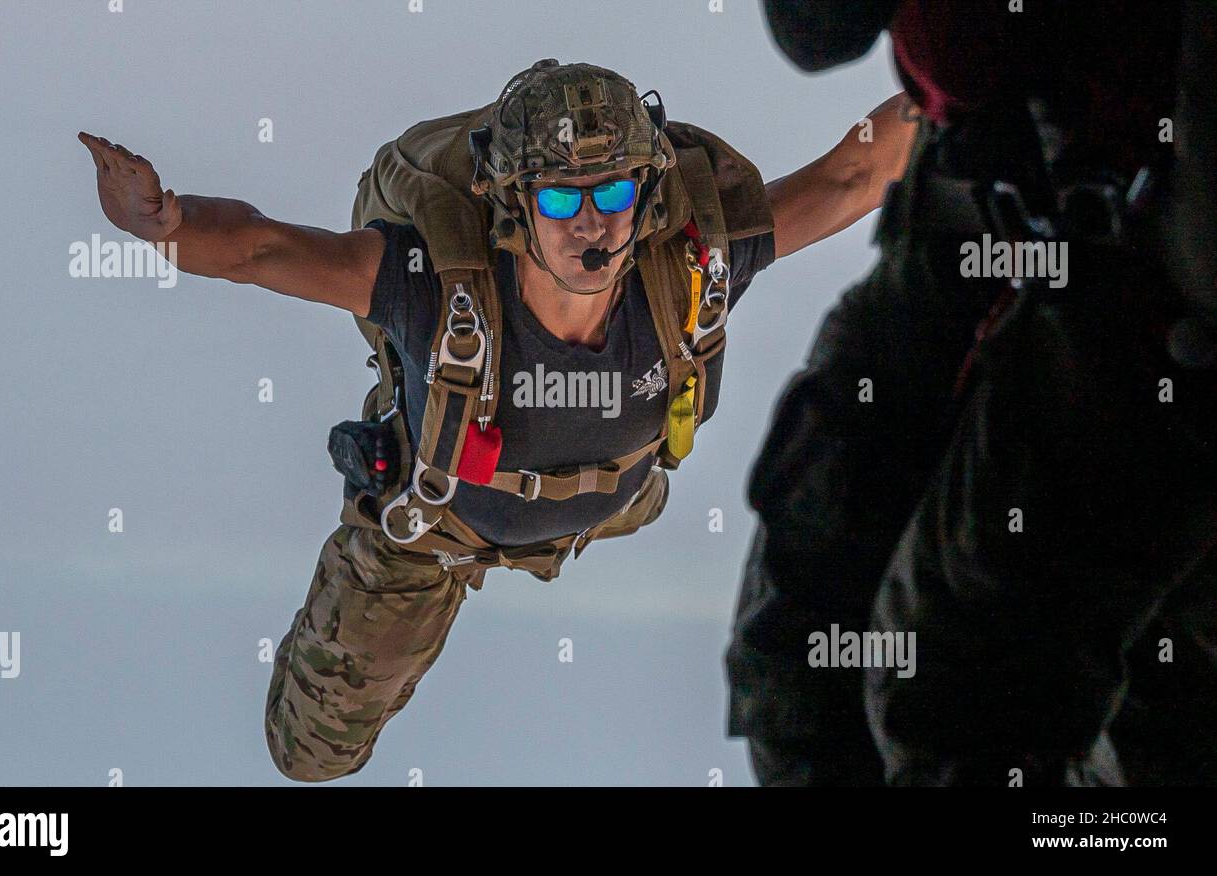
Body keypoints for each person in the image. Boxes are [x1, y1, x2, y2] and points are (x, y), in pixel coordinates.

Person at [79, 59, 916, 782]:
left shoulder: (695, 266)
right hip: (433, 531)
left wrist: (963, 70)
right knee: (309, 755)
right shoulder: (433, 285)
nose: (592, 223)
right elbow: (263, 248)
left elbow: (853, 176)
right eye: (560, 199)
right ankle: (401, 450)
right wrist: (167, 226)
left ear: (650, 197)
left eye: (616, 190)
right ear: (515, 208)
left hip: (612, 501)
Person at [734, 0, 1215, 786]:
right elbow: (816, 32)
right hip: (999, 195)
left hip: (1142, 254)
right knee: (813, 656)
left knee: (974, 689)